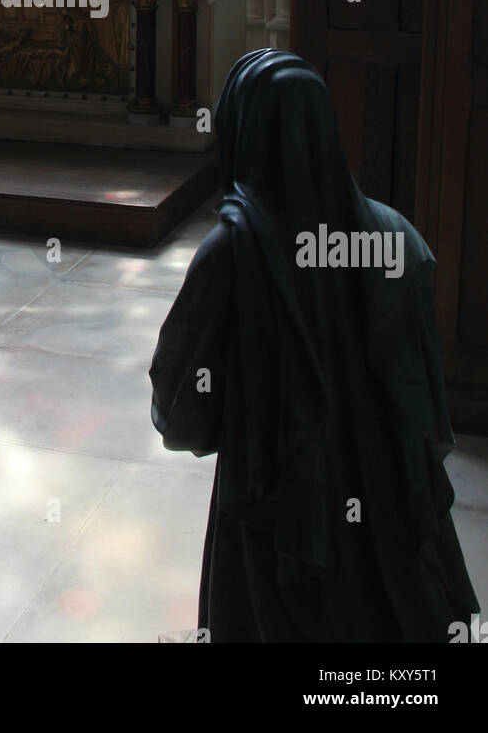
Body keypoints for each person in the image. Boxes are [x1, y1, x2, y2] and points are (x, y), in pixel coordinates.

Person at [150, 48, 480, 642]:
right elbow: (422, 400)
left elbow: (180, 403)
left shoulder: (232, 252)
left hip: (277, 523)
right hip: (385, 506)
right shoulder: (397, 237)